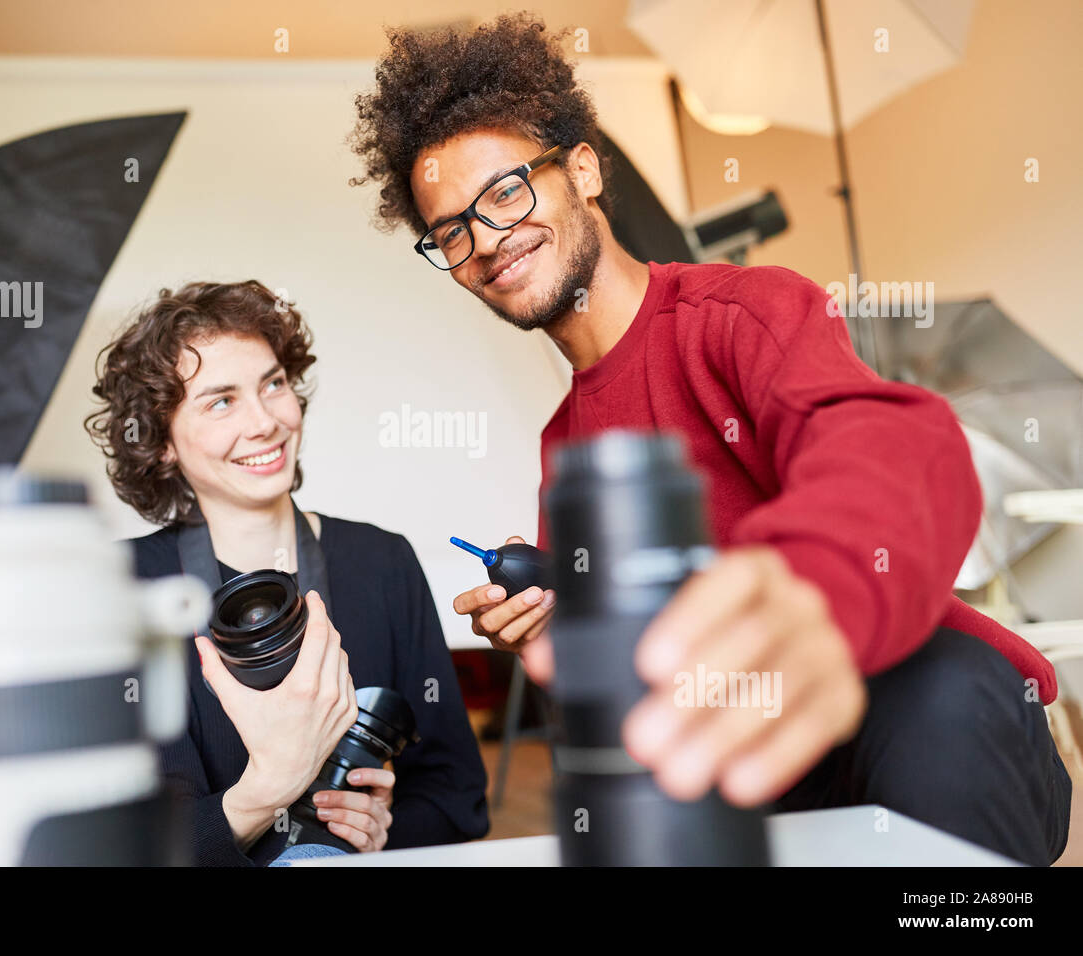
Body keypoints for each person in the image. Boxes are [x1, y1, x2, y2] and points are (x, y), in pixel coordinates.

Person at [348, 13, 1071, 864]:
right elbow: (642, 688)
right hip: (747, 773)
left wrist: (802, 599)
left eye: (506, 192)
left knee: (934, 681)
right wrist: (557, 634)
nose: (488, 241)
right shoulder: (565, 457)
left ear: (581, 168)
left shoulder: (743, 314)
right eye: (452, 231)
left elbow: (891, 449)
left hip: (904, 724)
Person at [85, 280, 489, 865]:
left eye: (272, 384)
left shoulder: (383, 561)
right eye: (221, 400)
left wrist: (379, 830)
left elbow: (458, 798)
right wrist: (268, 789)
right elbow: (133, 850)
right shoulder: (123, 587)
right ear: (163, 442)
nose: (266, 422)